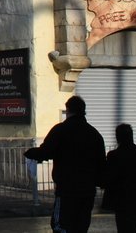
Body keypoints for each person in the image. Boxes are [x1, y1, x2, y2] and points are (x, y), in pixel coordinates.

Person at [24, 95, 107, 233]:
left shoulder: (61, 130)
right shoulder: (94, 134)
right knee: (81, 226)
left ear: (68, 110)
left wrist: (31, 153)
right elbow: (101, 164)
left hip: (67, 189)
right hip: (87, 191)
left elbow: (46, 151)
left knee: (61, 225)